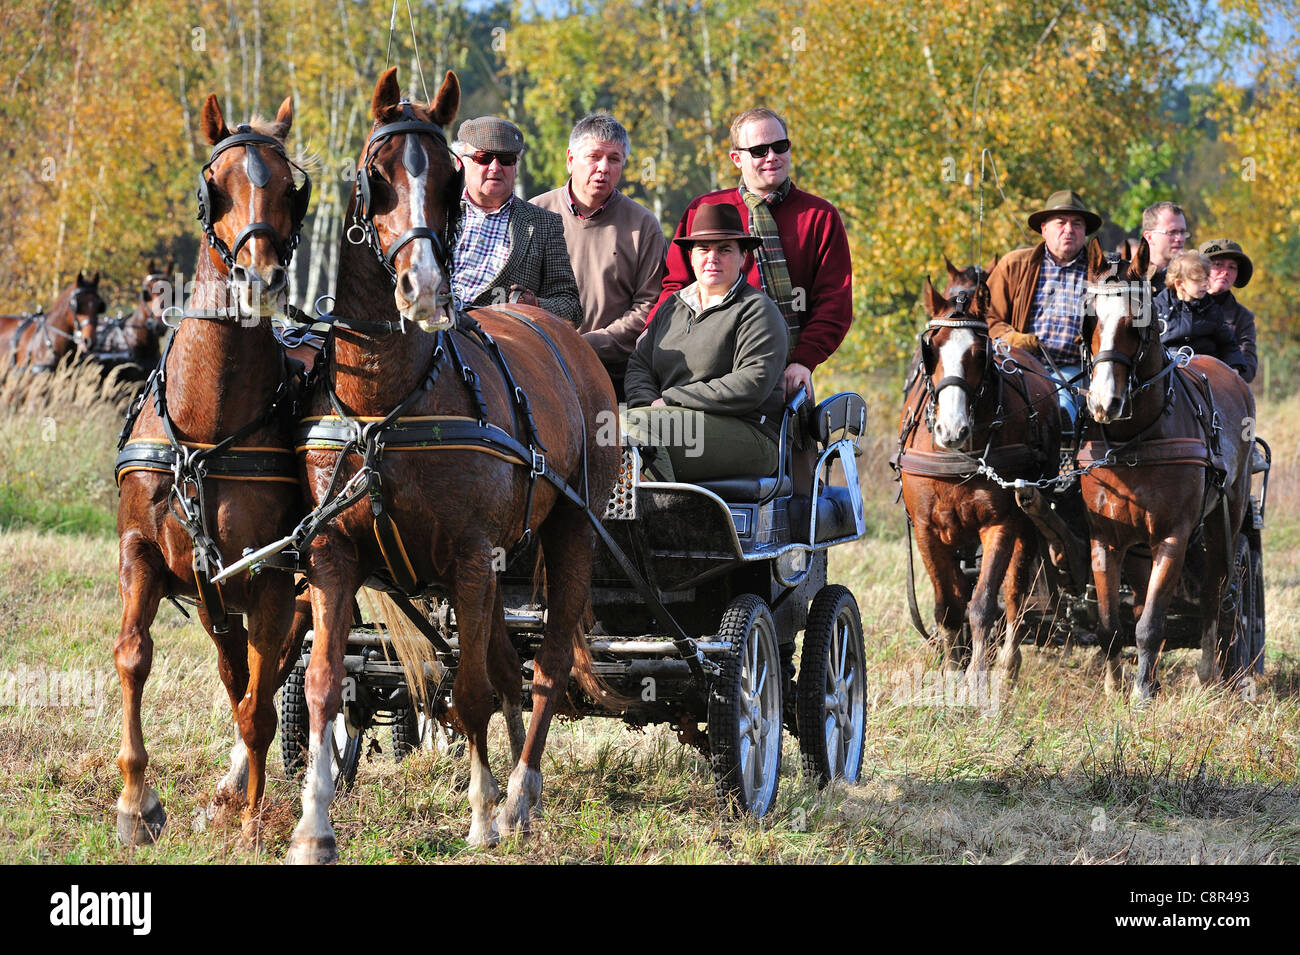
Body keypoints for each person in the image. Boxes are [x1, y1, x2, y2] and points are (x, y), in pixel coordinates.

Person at [652, 107, 851, 402]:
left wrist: (804, 361)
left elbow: (834, 303)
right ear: (737, 158)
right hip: (704, 369)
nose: (772, 157)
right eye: (758, 150)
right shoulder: (705, 212)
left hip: (786, 378)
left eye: (779, 146)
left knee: (791, 447)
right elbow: (675, 289)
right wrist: (651, 336)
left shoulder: (820, 216)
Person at [624, 202, 787, 483]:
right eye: (703, 249)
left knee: (633, 427)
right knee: (600, 425)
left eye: (724, 249)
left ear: (743, 257)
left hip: (749, 432)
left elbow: (751, 383)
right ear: (690, 256)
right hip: (667, 419)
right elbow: (640, 363)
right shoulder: (672, 307)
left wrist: (672, 399)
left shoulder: (757, 310)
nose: (712, 258)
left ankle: (664, 513)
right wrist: (648, 403)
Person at [532, 113, 667, 398]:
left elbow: (649, 305)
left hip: (612, 375)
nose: (603, 168)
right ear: (570, 160)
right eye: (593, 157)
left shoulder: (643, 225)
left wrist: (589, 345)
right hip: (540, 366)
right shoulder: (534, 214)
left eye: (614, 159)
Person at [984, 189, 1102, 433]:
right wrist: (1013, 339)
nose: (1069, 230)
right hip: (1017, 365)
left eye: (1077, 224)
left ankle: (1056, 441)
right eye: (1061, 223)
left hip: (1072, 368)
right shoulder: (1013, 265)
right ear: (1044, 229)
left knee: (1060, 408)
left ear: (1085, 232)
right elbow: (987, 316)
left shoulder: (1102, 271)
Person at [449, 116, 582, 326]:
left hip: (499, 346)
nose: (495, 167)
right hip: (430, 335)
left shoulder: (544, 225)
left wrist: (534, 304)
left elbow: (570, 307)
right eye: (483, 158)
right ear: (459, 162)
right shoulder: (434, 212)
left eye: (506, 159)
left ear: (516, 166)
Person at [1154, 251, 1248, 376]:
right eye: (1198, 280)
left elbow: (1228, 345)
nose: (1205, 284)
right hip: (1164, 372)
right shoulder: (1156, 308)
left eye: (1206, 278)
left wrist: (1234, 368)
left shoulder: (1212, 310)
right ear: (1179, 283)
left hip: (1204, 374)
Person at [1200, 237, 1258, 383]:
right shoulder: (1175, 304)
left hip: (1220, 392)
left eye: (1232, 267)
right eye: (1218, 264)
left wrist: (1230, 371)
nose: (1225, 272)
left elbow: (1248, 367)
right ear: (1200, 269)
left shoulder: (1243, 317)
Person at [1141, 200, 1190, 291]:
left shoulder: (1192, 278)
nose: (1180, 238)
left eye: (1182, 232)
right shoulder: (1131, 279)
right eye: (1172, 232)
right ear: (1149, 237)